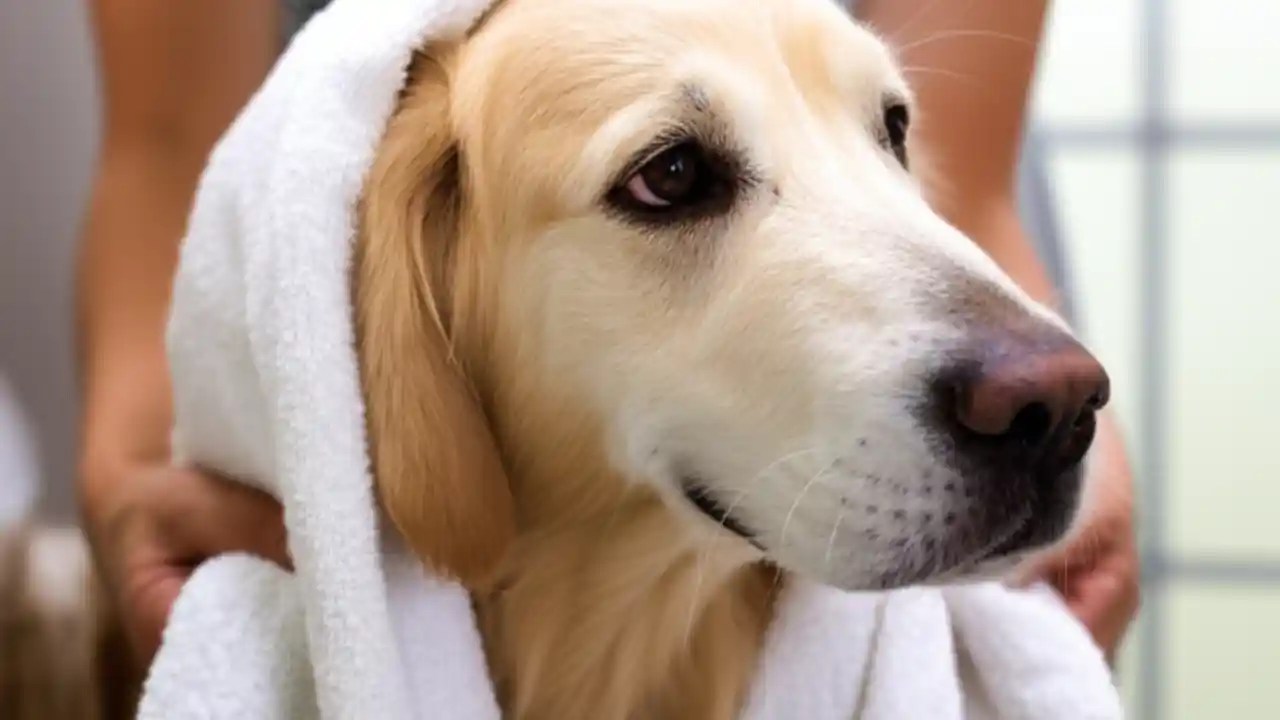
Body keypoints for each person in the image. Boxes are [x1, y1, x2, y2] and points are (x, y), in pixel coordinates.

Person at [77, 0, 1138, 671]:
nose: (1036, 384)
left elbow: (969, 181)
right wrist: (128, 471)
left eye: (886, 124)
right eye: (674, 176)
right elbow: (170, 142)